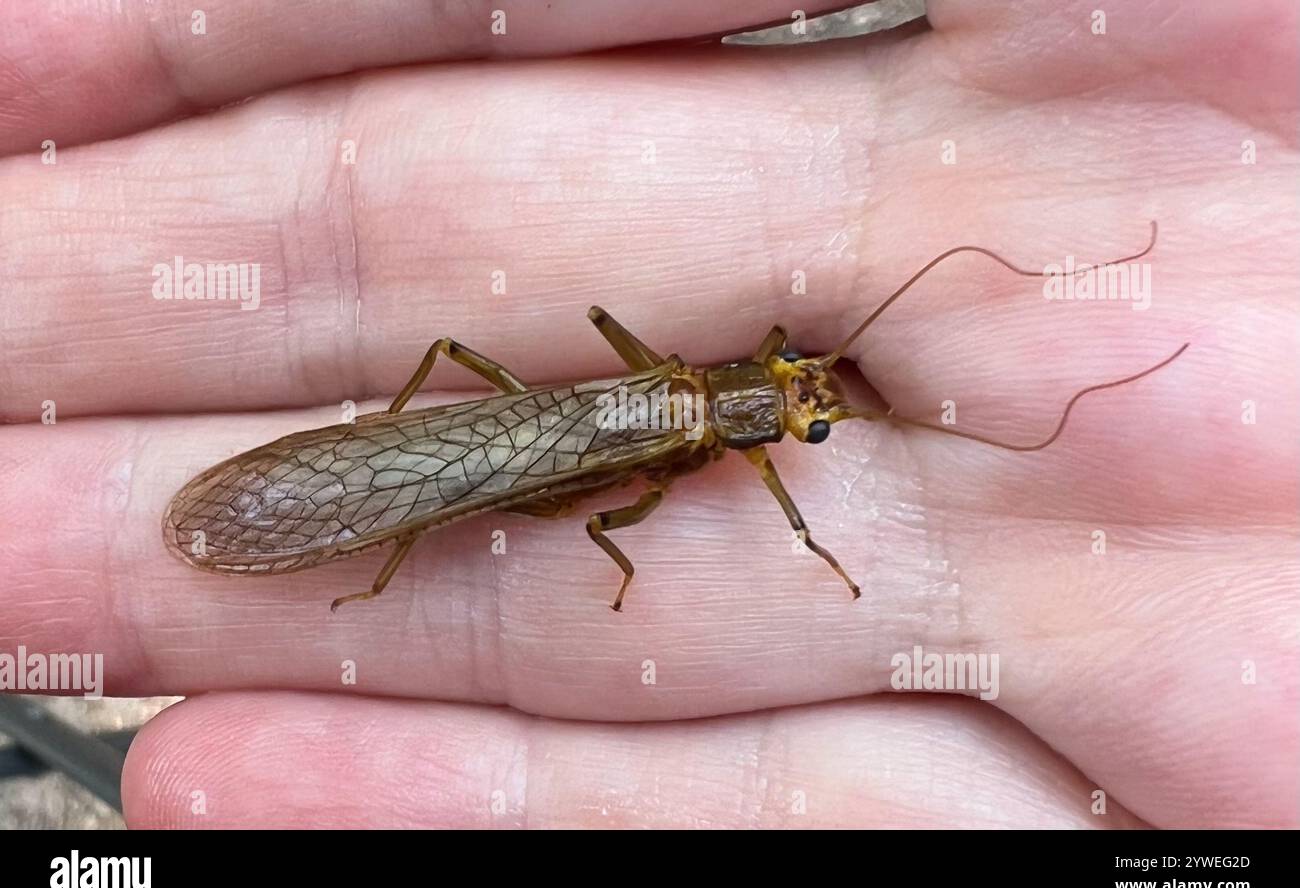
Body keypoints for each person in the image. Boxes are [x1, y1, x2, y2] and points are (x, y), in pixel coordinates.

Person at [0, 0, 1294, 829]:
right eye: (799, 394)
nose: (800, 397)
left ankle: (380, 509)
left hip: (605, 411)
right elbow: (626, 517)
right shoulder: (713, 449)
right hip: (579, 435)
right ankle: (379, 522)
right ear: (759, 402)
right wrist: (797, 551)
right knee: (487, 488)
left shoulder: (702, 404)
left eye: (801, 402)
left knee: (477, 461)